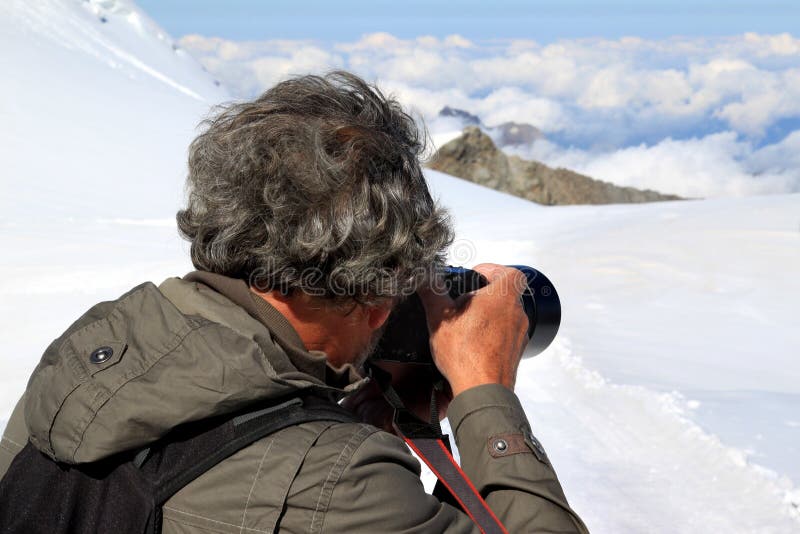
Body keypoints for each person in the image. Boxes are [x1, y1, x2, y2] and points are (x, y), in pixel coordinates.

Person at [0, 71, 588, 533]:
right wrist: (484, 390)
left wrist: (337, 409)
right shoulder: (340, 484)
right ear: (375, 299)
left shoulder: (95, 352)